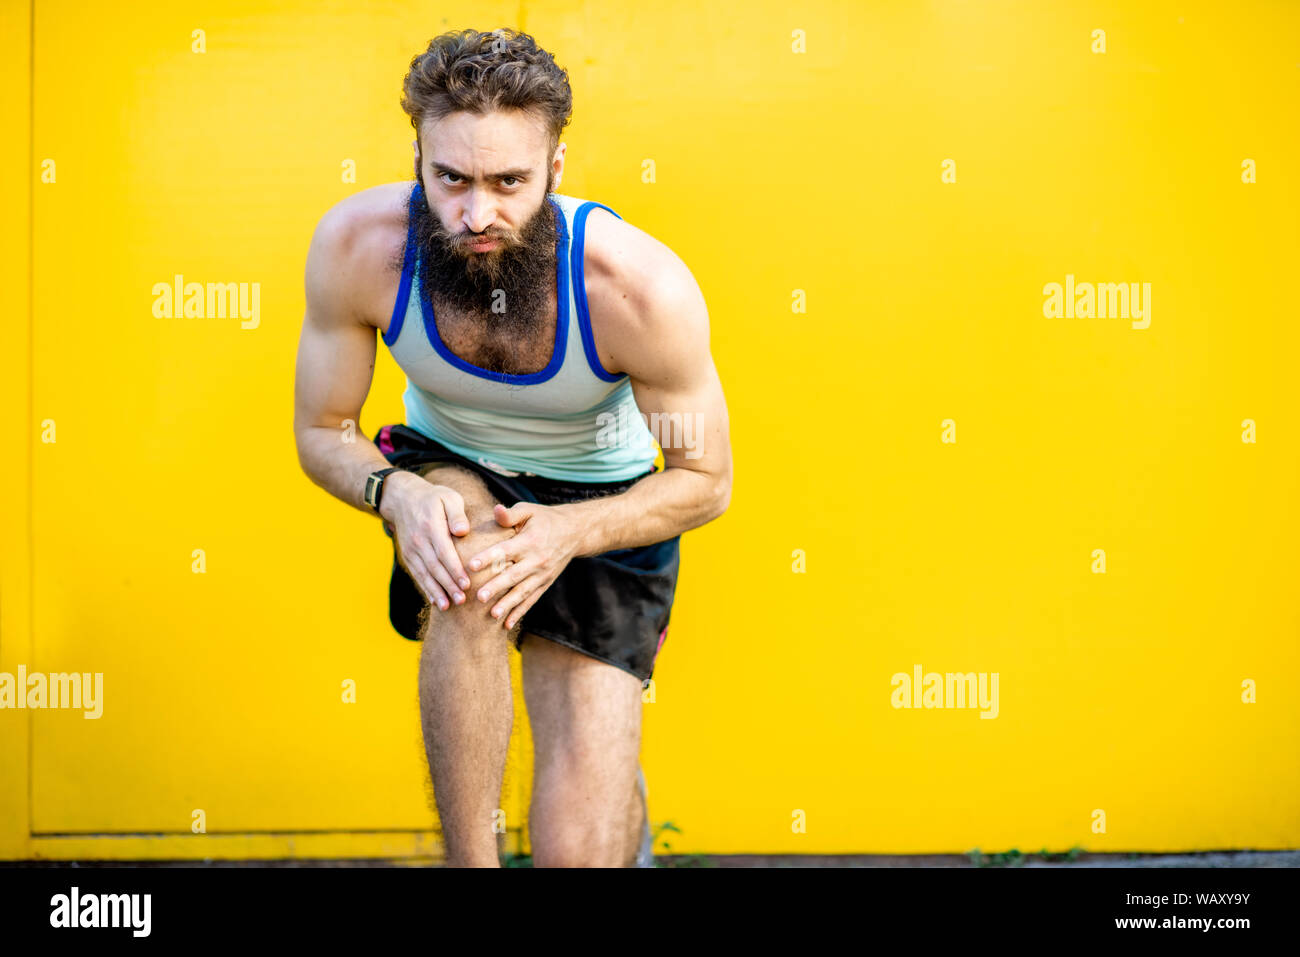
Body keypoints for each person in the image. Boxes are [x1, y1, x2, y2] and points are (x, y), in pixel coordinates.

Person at [293, 27, 732, 867]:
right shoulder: (361, 248)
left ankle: (616, 796)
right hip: (448, 461)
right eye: (450, 177)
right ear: (416, 157)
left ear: (556, 172)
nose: (475, 213)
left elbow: (706, 481)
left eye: (508, 182)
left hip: (602, 506)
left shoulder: (637, 288)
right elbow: (323, 432)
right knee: (465, 551)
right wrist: (397, 493)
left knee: (579, 852)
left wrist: (567, 533)